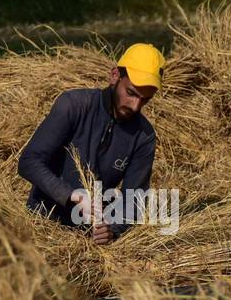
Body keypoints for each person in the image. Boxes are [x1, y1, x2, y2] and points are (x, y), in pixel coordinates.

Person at [18, 43, 163, 244]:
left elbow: (134, 199)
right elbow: (29, 162)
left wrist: (112, 230)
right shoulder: (73, 105)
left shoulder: (144, 136)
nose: (136, 106)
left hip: (88, 238)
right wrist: (72, 196)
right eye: (131, 93)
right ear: (114, 76)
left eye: (145, 100)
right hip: (41, 225)